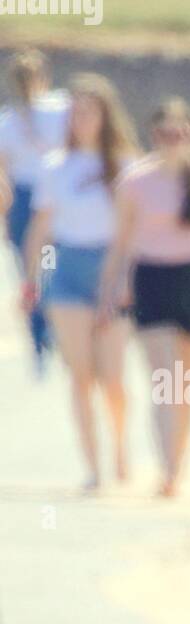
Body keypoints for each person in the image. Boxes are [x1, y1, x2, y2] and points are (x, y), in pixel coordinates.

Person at [99, 97, 190, 499]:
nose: (172, 140)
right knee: (162, 381)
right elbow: (120, 243)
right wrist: (112, 291)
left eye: (181, 133)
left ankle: (179, 458)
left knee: (185, 384)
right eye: (164, 133)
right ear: (154, 136)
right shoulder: (136, 181)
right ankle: (167, 470)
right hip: (149, 278)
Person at [22, 74, 138, 492]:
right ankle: (94, 466)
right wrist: (30, 277)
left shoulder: (126, 165)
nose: (82, 118)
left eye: (90, 110)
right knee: (80, 375)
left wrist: (124, 279)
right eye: (76, 111)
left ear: (106, 115)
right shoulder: (56, 165)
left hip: (111, 270)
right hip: (68, 271)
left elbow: (133, 230)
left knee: (112, 377)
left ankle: (121, 445)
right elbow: (41, 225)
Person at [0, 50, 68, 379]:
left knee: (42, 266)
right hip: (34, 196)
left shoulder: (56, 110)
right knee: (37, 267)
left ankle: (48, 325)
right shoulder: (11, 120)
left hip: (46, 196)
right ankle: (43, 327)